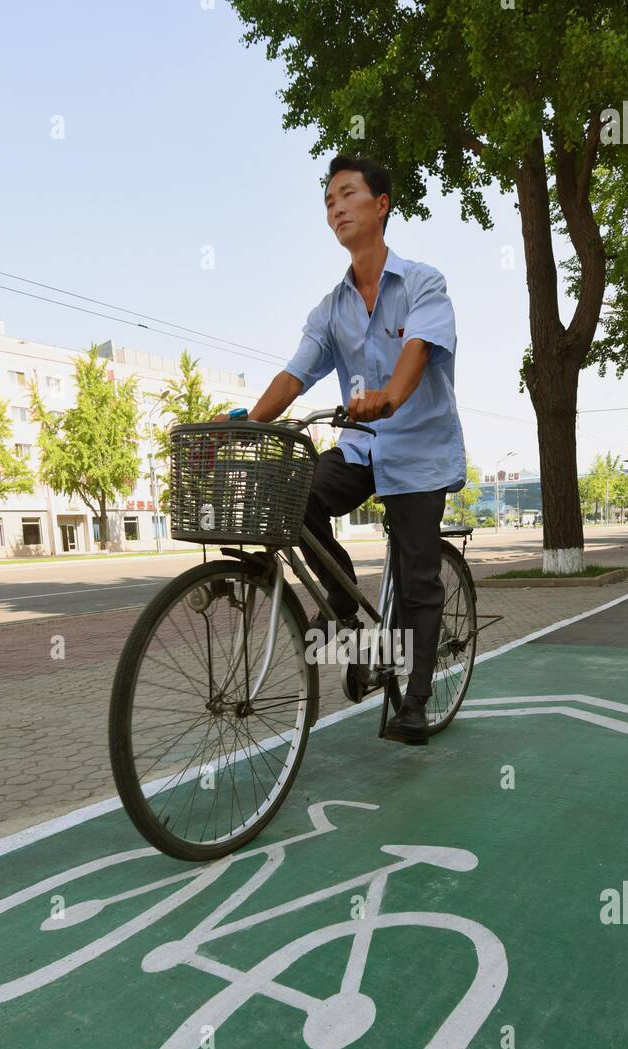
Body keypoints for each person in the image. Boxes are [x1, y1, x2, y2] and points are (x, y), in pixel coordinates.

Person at [215, 154, 466, 745]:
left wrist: (388, 398)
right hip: (359, 446)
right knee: (295, 499)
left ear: (381, 205)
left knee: (419, 577)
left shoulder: (424, 282)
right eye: (328, 202)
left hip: (417, 449)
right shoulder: (331, 308)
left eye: (347, 195)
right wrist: (251, 423)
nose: (336, 209)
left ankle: (417, 698)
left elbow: (417, 355)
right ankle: (344, 603)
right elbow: (296, 373)